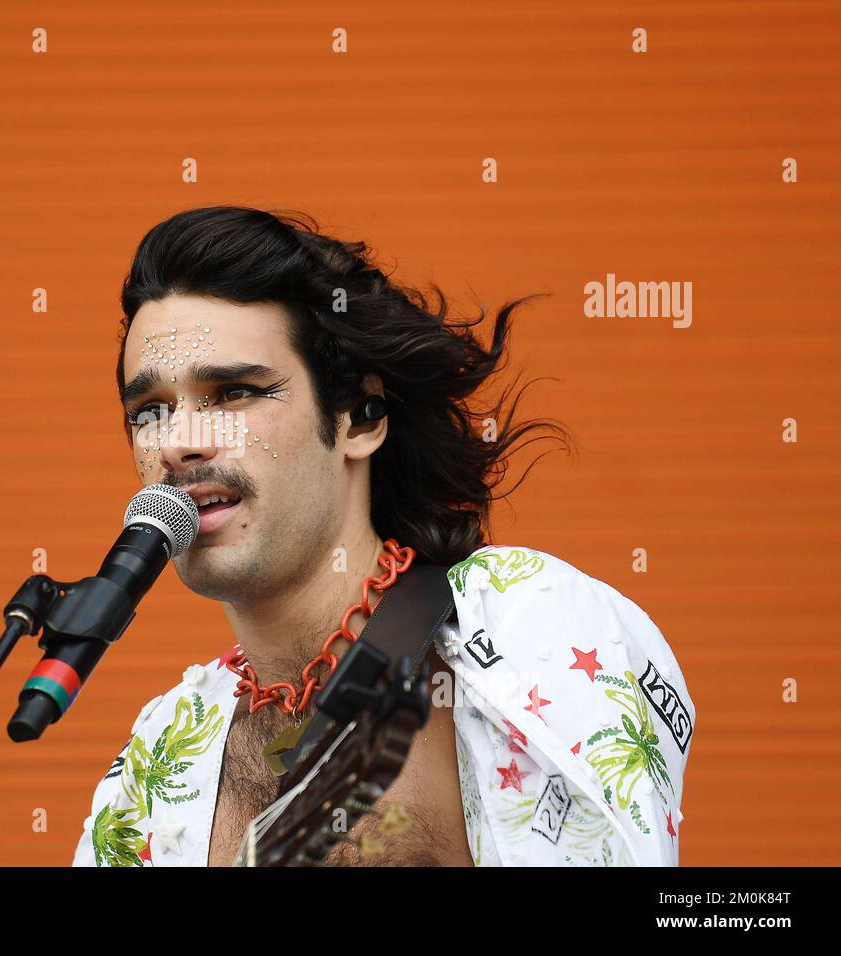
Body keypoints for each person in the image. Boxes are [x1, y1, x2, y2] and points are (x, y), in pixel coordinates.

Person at [72, 206, 694, 867]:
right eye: (150, 411)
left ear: (360, 418)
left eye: (232, 393)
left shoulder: (528, 624)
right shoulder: (161, 758)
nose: (181, 443)